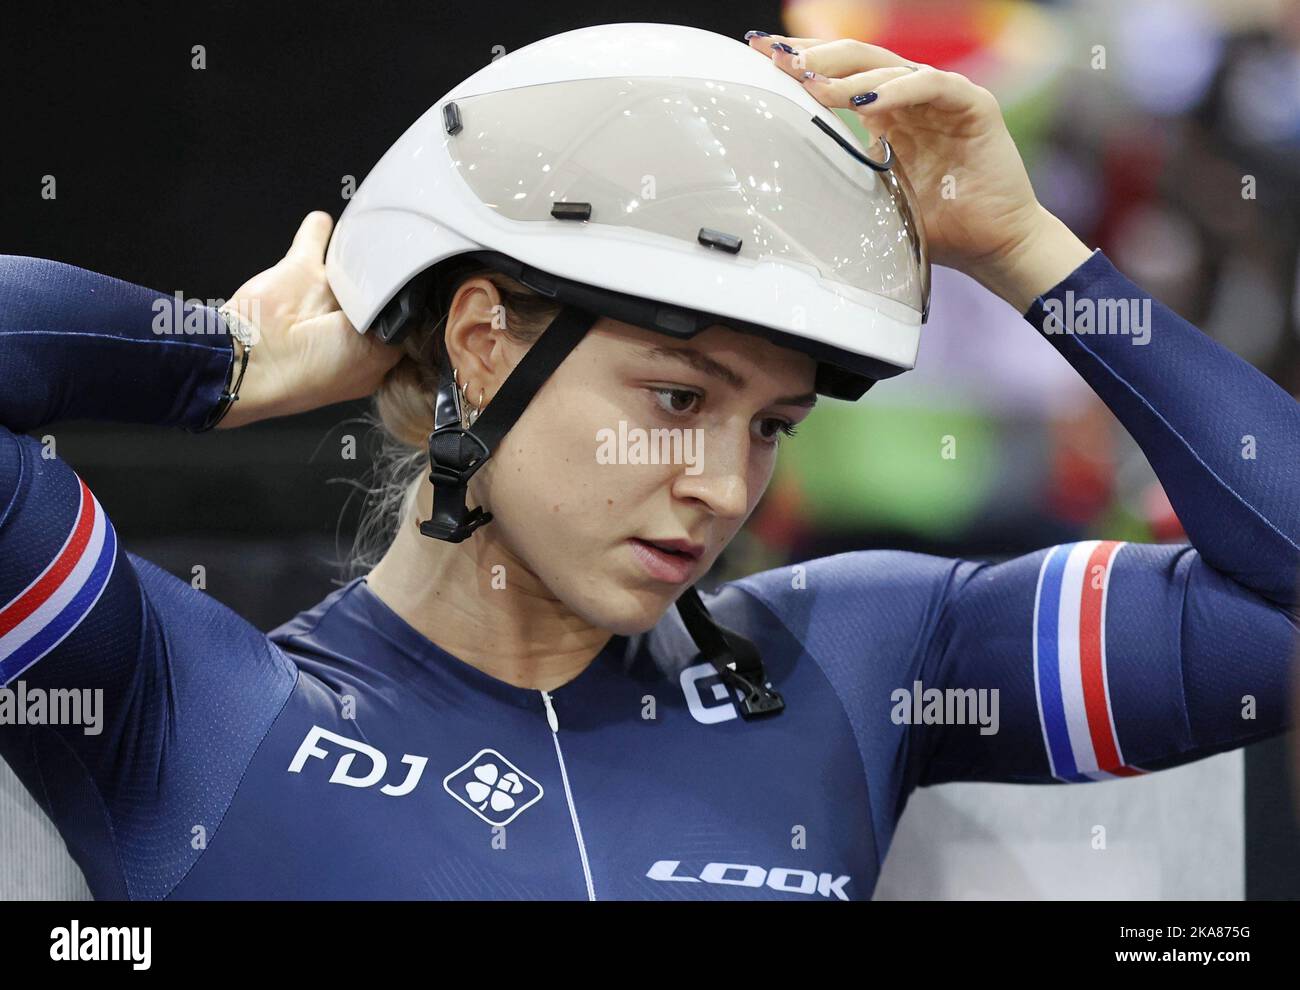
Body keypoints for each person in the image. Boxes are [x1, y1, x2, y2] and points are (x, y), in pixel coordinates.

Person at [0, 23, 1296, 901]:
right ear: (483, 346)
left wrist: (1030, 253)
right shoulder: (189, 712)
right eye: (680, 397)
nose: (725, 487)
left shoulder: (856, 664)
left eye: (772, 424)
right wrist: (225, 362)